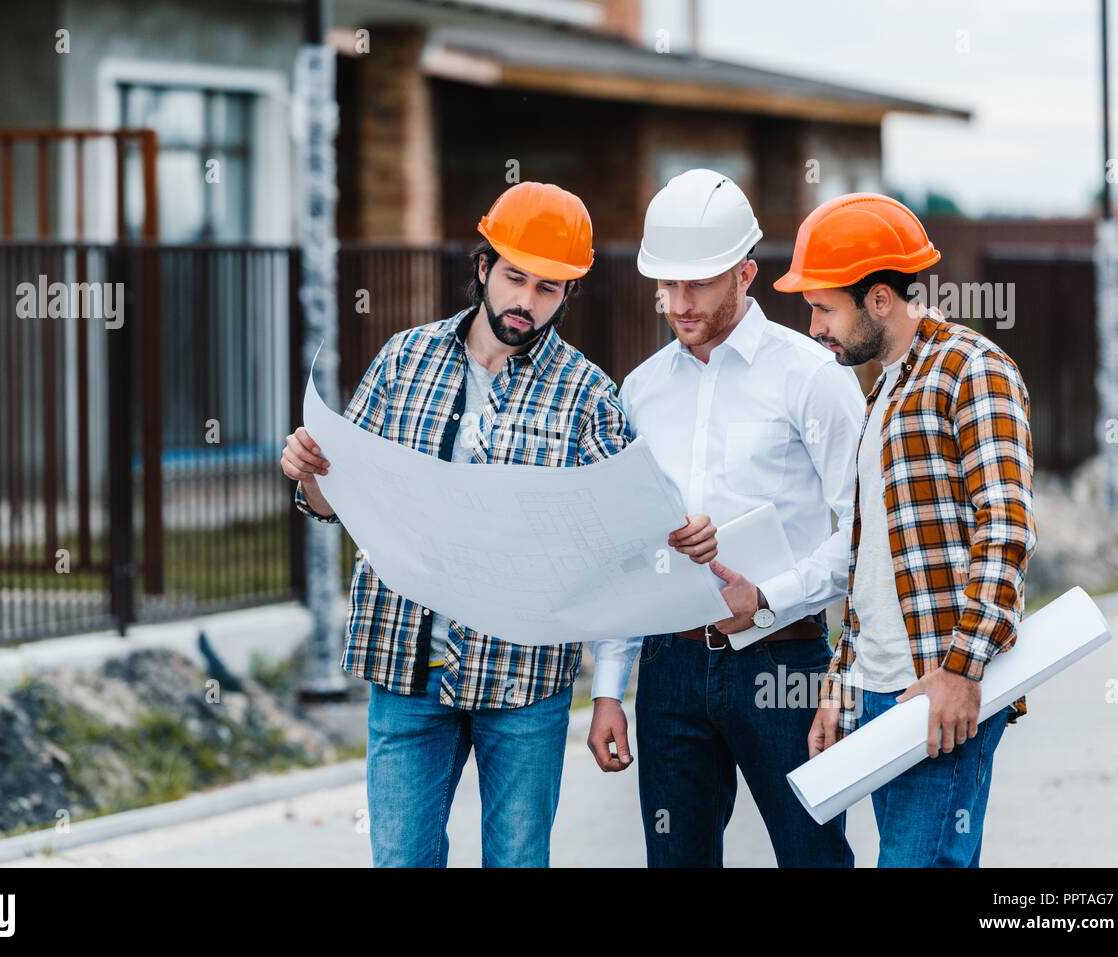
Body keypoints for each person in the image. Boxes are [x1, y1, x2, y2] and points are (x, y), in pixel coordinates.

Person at [283, 181, 672, 868]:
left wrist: (611, 687)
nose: (527, 302)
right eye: (516, 277)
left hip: (522, 680)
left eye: (549, 288)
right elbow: (336, 504)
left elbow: (621, 552)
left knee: (518, 861)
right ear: (484, 266)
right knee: (402, 859)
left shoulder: (588, 397)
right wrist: (312, 475)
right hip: (406, 664)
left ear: (568, 294)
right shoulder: (404, 362)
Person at [586, 169, 862, 867]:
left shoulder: (811, 377)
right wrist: (609, 687)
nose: (677, 303)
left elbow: (867, 533)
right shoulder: (640, 391)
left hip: (782, 659)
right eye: (666, 283)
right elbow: (630, 548)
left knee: (814, 857)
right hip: (669, 668)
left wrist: (768, 596)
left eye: (697, 284)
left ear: (745, 274)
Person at [774, 192, 1037, 867]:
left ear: (881, 298)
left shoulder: (973, 371)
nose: (814, 327)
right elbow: (876, 563)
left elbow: (1004, 530)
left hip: (941, 690)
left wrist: (959, 669)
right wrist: (841, 680)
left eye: (825, 307)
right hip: (882, 691)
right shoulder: (885, 388)